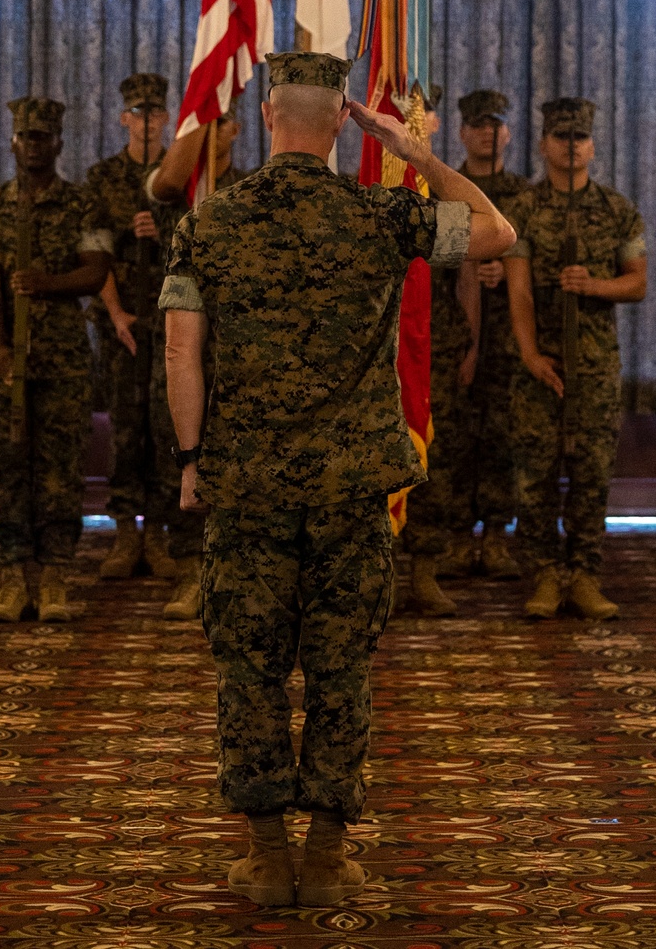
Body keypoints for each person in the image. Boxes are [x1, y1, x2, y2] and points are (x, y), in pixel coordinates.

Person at [160, 53, 515, 908]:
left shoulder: (210, 223)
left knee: (249, 667)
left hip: (245, 486)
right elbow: (497, 233)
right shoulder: (384, 214)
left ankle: (265, 856)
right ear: (340, 124)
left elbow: (181, 350)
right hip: (353, 488)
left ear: (272, 118)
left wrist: (189, 460)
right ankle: (325, 856)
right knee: (339, 667)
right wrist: (417, 155)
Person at [0, 98, 111, 623]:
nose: (35, 146)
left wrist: (47, 284)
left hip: (64, 363)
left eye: (44, 137)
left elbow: (94, 274)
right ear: (13, 142)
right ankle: (11, 577)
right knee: (4, 471)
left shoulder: (83, 206)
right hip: (0, 366)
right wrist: (0, 348)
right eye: (27, 137)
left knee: (61, 473)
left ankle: (54, 578)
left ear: (59, 144)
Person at [504, 98, 647, 621]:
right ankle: (544, 575)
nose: (572, 145)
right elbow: (518, 292)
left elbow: (637, 283)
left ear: (592, 145)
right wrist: (530, 354)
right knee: (534, 473)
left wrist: (594, 284)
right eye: (561, 136)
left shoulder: (617, 209)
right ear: (543, 144)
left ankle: (585, 574)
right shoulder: (522, 209)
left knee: (591, 473)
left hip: (594, 365)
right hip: (538, 363)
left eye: (580, 137)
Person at [145, 101, 246, 620]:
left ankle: (236, 575)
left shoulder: (254, 189)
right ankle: (191, 572)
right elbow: (162, 185)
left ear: (240, 128)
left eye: (222, 122)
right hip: (184, 336)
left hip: (238, 349)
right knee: (185, 456)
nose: (215, 132)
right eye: (208, 122)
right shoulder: (182, 188)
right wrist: (198, 116)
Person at [85, 73, 173, 581]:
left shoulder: (179, 176)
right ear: (123, 119)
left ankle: (159, 533)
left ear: (165, 120)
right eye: (136, 114)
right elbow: (95, 254)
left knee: (164, 428)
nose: (144, 122)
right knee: (124, 429)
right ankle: (124, 533)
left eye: (154, 114)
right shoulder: (102, 178)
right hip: (120, 323)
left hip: (171, 322)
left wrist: (161, 232)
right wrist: (115, 313)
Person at [398, 86, 474, 617]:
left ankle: (423, 569)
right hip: (383, 342)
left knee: (435, 458)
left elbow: (469, 260)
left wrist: (470, 339)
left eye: (420, 117)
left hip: (438, 344)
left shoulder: (440, 186)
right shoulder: (371, 183)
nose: (412, 123)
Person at [452, 89, 529, 579]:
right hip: (455, 335)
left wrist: (508, 271)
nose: (487, 132)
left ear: (509, 132)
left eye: (496, 124)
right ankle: (458, 536)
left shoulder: (525, 194)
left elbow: (538, 264)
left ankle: (498, 535)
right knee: (457, 434)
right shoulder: (448, 187)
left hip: (508, 338)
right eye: (478, 124)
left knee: (504, 435)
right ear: (461, 132)